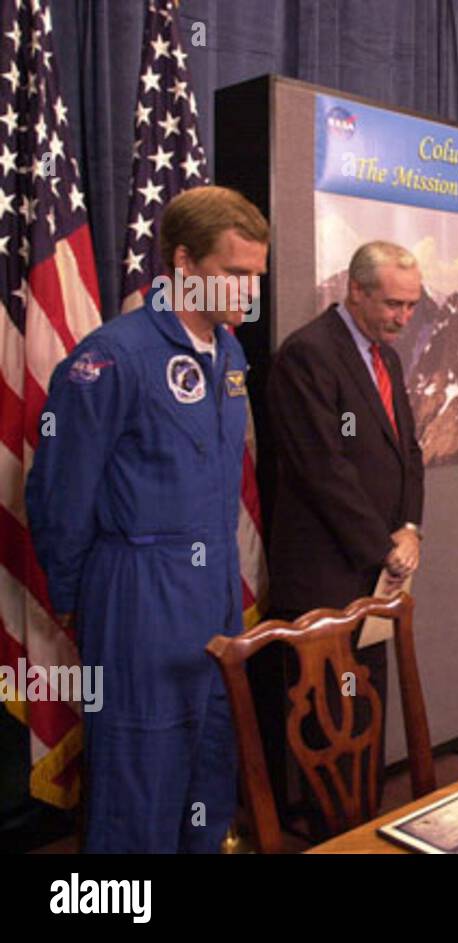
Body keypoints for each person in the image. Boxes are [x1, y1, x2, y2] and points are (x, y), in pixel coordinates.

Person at [25, 186, 269, 852]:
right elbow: (59, 493)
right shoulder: (113, 358)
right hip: (137, 595)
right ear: (184, 264)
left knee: (208, 769)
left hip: (213, 592)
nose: (249, 293)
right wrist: (79, 597)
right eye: (234, 274)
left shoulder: (231, 355)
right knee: (141, 778)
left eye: (257, 277)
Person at [262, 241, 426, 829]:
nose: (404, 319)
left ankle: (364, 818)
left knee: (367, 699)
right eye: (393, 305)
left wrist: (410, 529)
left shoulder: (388, 358)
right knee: (326, 711)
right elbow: (321, 469)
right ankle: (329, 830)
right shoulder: (307, 354)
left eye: (412, 307)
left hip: (378, 569)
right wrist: (382, 547)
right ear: (355, 290)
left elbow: (408, 452)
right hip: (325, 570)